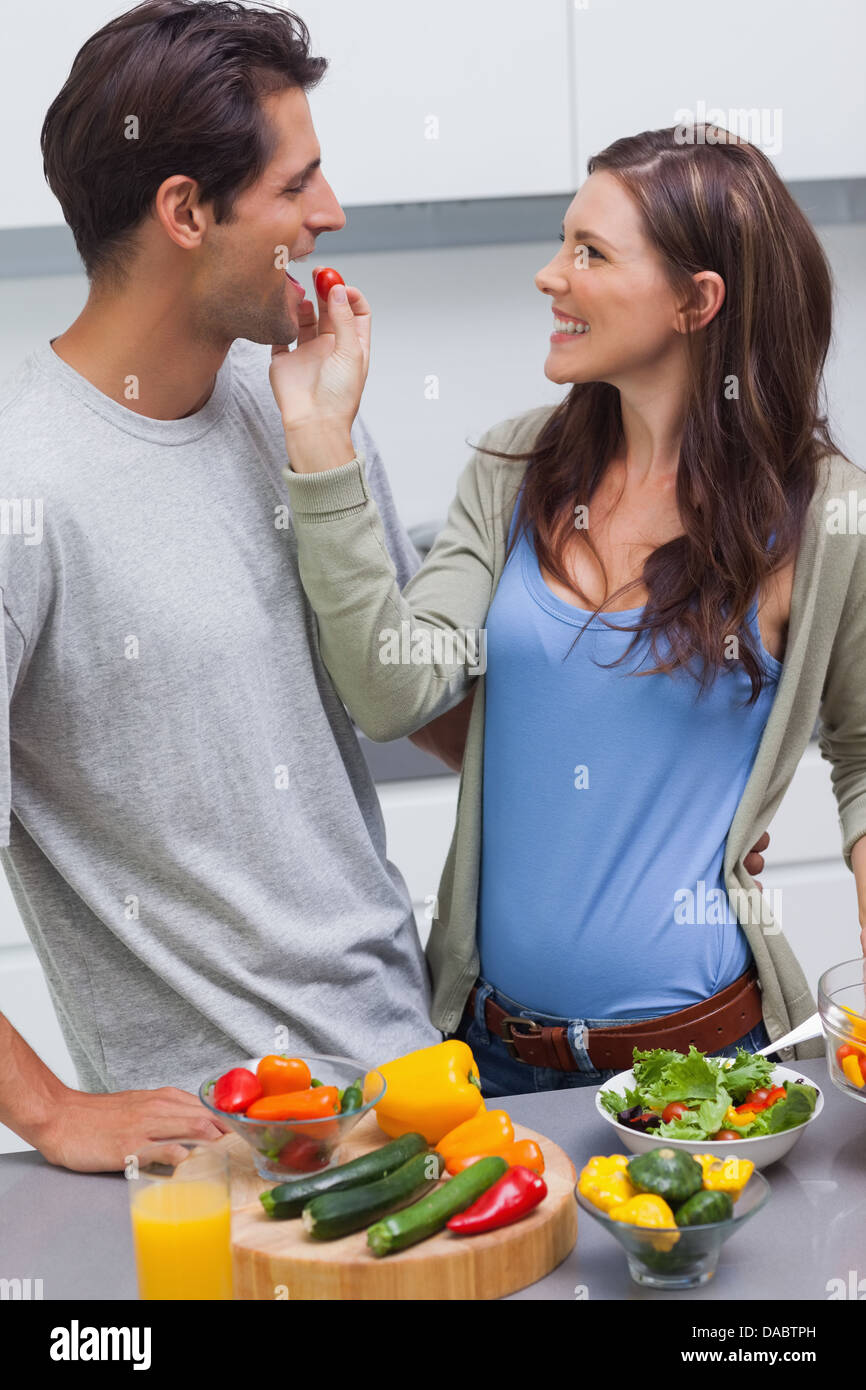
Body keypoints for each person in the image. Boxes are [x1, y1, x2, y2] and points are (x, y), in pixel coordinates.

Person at [270, 125, 866, 1096]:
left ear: (694, 299)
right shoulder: (515, 468)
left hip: (707, 1066)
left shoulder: (826, 514)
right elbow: (393, 691)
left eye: (589, 252)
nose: (551, 276)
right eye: (560, 242)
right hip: (491, 1053)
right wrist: (319, 438)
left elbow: (863, 755)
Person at [0, 0, 478, 1171]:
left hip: (417, 1095)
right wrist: (53, 1111)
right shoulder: (25, 490)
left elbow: (432, 716)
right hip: (221, 1163)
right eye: (295, 187)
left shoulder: (301, 407)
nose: (331, 214)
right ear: (183, 211)